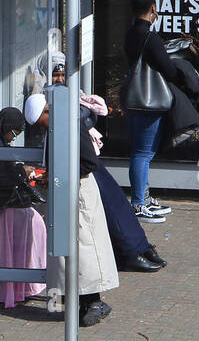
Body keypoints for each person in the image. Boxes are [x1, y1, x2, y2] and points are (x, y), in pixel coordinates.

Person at [121, 0, 199, 224]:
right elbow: (168, 69)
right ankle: (139, 204)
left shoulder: (132, 32)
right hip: (148, 103)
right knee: (143, 154)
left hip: (136, 101)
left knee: (142, 152)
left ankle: (144, 197)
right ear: (153, 6)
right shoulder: (149, 37)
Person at [52, 58, 165, 271]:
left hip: (86, 156)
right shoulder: (45, 99)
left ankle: (140, 245)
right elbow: (81, 118)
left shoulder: (71, 93)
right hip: (74, 163)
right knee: (108, 205)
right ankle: (130, 251)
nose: (59, 80)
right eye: (55, 76)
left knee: (117, 200)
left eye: (62, 75)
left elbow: (87, 117)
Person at [25, 93, 118, 327]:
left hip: (80, 191)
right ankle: (81, 300)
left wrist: (54, 176)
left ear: (47, 112)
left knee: (85, 246)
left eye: (40, 124)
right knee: (70, 247)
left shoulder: (70, 124)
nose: (41, 129)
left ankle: (94, 300)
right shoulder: (57, 126)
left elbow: (89, 163)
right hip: (67, 189)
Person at [0, 107, 47, 308]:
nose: (13, 139)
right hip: (0, 197)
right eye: (14, 133)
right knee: (34, 224)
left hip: (1, 194)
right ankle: (23, 284)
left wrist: (20, 171)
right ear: (6, 127)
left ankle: (23, 285)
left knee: (35, 225)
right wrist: (22, 171)